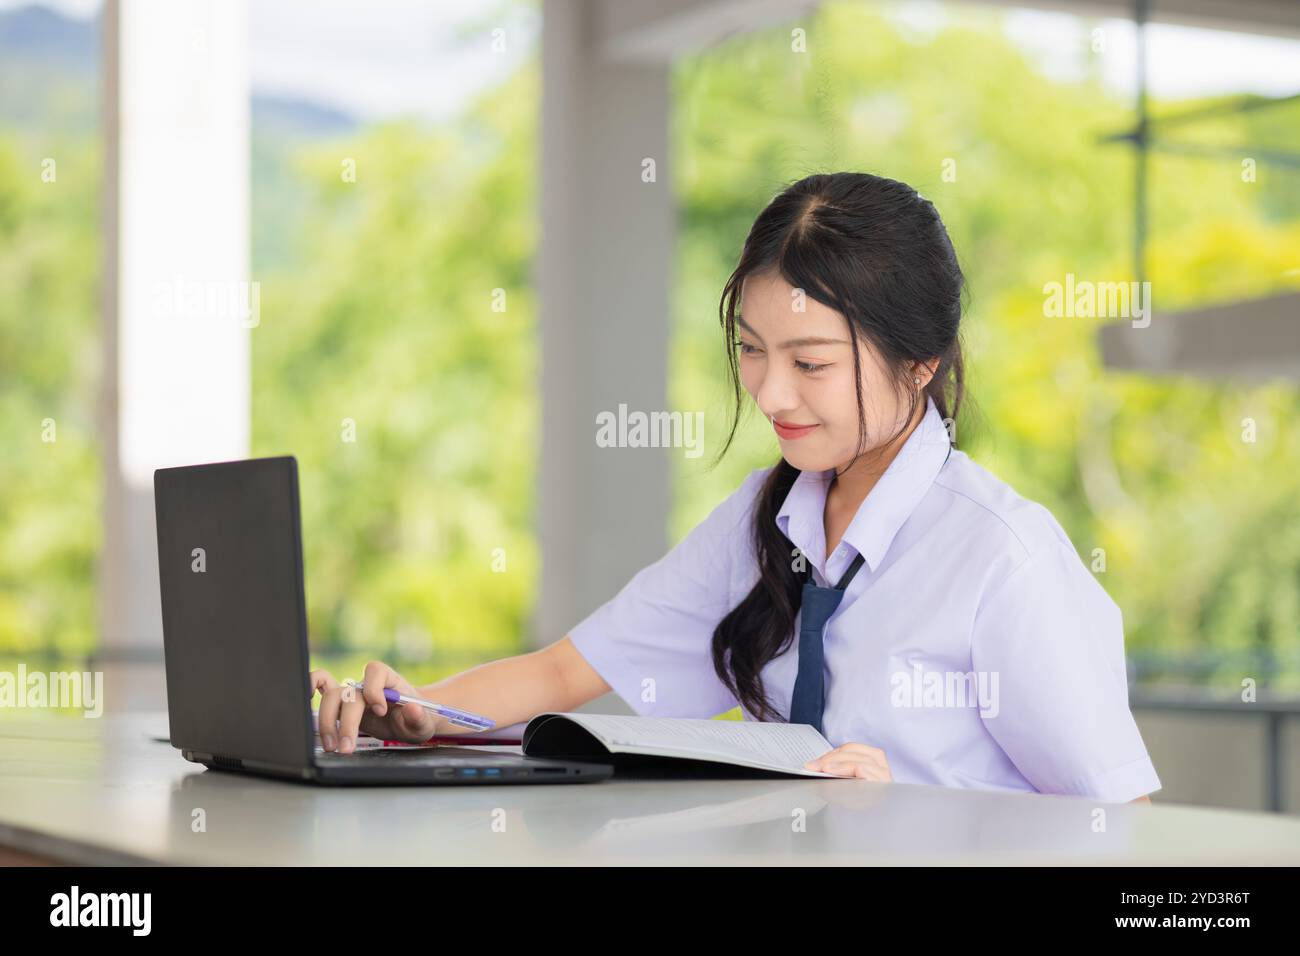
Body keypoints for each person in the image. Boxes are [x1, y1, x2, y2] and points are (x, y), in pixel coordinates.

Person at [312, 171, 1160, 804]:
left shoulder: (1002, 559)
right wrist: (420, 713)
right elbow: (567, 672)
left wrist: (916, 818)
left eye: (812, 363)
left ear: (920, 361)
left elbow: (1129, 840)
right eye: (752, 349)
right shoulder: (767, 519)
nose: (770, 392)